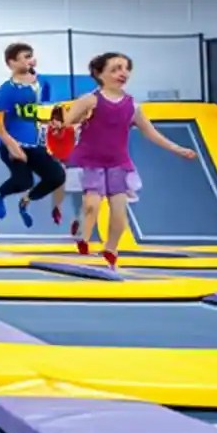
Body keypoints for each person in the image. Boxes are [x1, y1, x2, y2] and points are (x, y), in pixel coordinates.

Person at [64, 52, 197, 270]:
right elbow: (66, 123)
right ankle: (82, 234)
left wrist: (178, 149)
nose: (122, 73)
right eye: (115, 69)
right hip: (91, 161)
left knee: (119, 214)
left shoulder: (132, 106)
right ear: (99, 74)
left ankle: (110, 249)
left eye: (126, 68)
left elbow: (150, 133)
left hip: (118, 163)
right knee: (91, 205)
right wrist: (77, 120)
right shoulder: (90, 100)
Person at [0, 43, 65, 227]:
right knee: (24, 180)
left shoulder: (41, 82)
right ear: (12, 63)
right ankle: (0, 194)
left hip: (34, 144)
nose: (31, 60)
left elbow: (36, 111)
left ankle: (25, 201)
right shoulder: (7, 91)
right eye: (25, 57)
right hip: (13, 143)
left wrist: (52, 122)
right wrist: (12, 146)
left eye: (31, 56)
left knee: (57, 176)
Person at [45, 104, 82, 236]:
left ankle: (65, 213)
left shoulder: (52, 129)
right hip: (66, 164)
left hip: (67, 164)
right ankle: (73, 216)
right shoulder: (70, 129)